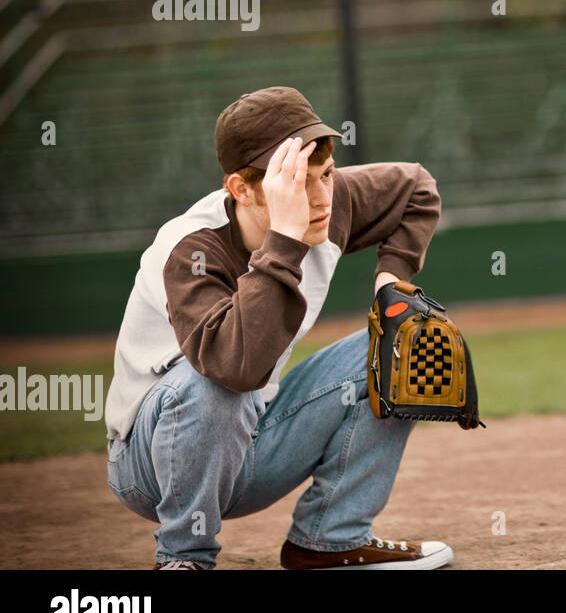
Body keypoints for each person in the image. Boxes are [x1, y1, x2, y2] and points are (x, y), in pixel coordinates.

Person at [103, 86, 452, 569]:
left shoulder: (328, 201)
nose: (319, 197)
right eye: (293, 183)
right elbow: (234, 367)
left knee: (407, 339)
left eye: (325, 175)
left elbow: (417, 187)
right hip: (152, 467)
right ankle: (184, 557)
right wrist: (284, 241)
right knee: (215, 382)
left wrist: (390, 285)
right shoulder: (189, 250)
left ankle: (330, 541)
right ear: (241, 189)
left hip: (254, 445)